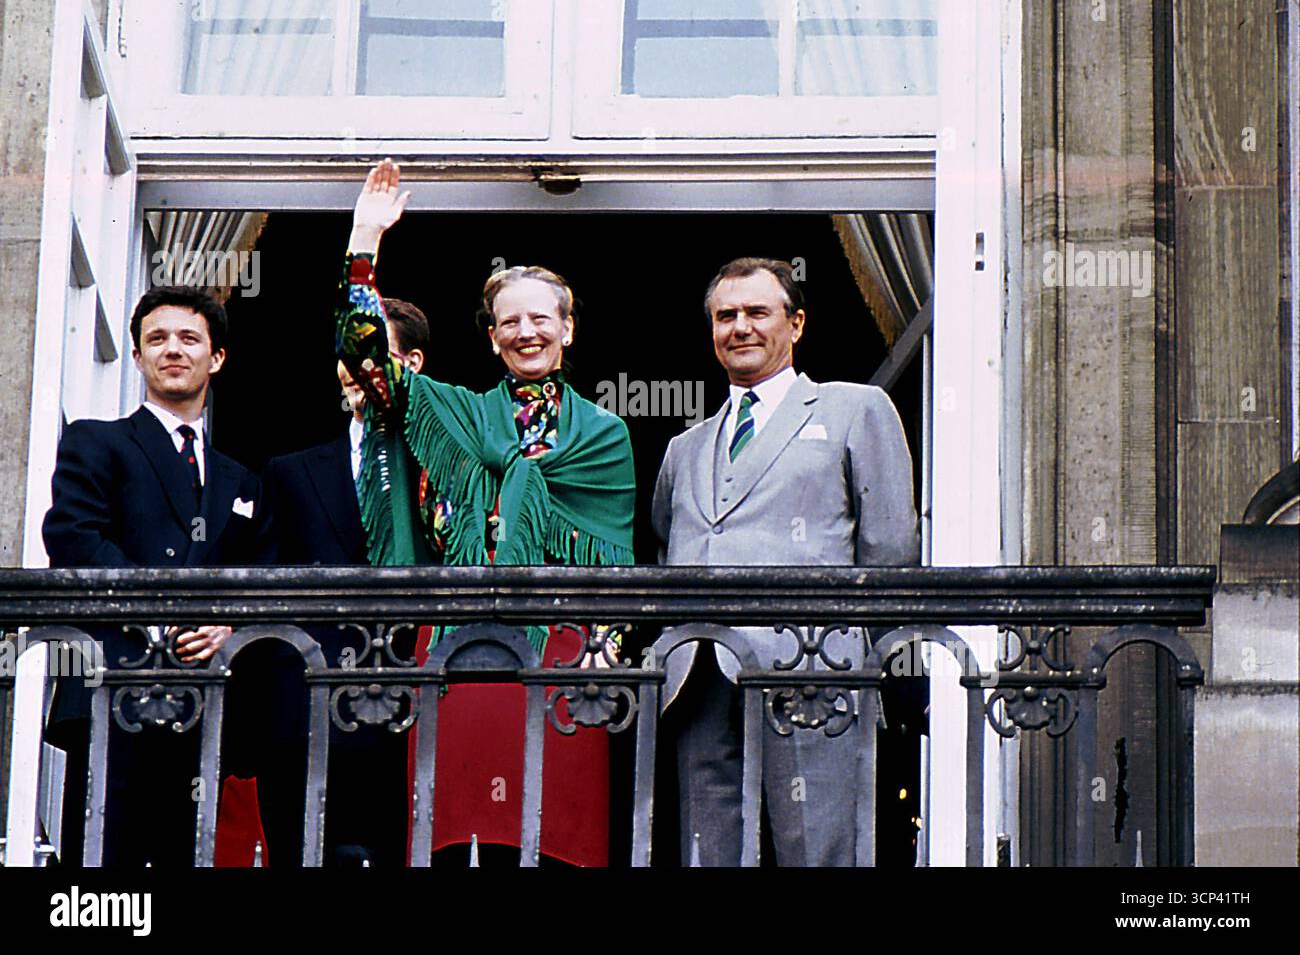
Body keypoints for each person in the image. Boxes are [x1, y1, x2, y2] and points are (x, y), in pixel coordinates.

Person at [336, 159, 635, 866]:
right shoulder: (455, 413)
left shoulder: (604, 434)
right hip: (456, 649)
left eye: (540, 317)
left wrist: (609, 646)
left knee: (558, 841)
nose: (525, 331)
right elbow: (367, 355)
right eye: (510, 322)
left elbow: (617, 555)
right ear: (492, 337)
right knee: (456, 839)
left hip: (565, 653)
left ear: (568, 329)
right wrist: (364, 242)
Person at [651, 257, 920, 866]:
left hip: (814, 666)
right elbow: (669, 544)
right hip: (699, 676)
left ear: (795, 324)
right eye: (726, 316)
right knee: (708, 851)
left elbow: (890, 551)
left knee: (818, 848)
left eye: (757, 312)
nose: (740, 327)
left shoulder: (854, 408)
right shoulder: (683, 447)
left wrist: (856, 650)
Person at [42, 284, 273, 867]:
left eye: (189, 338)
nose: (174, 349)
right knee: (102, 869)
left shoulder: (242, 478)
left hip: (208, 697)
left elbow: (263, 575)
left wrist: (228, 624)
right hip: (111, 690)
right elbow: (73, 538)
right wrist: (165, 615)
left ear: (217, 357)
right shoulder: (97, 441)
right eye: (157, 339)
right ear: (139, 357)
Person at [253, 300, 428, 867]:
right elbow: (264, 594)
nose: (355, 369)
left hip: (415, 714)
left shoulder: (444, 465)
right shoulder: (289, 470)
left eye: (371, 354)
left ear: (413, 363)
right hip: (303, 715)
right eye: (346, 356)